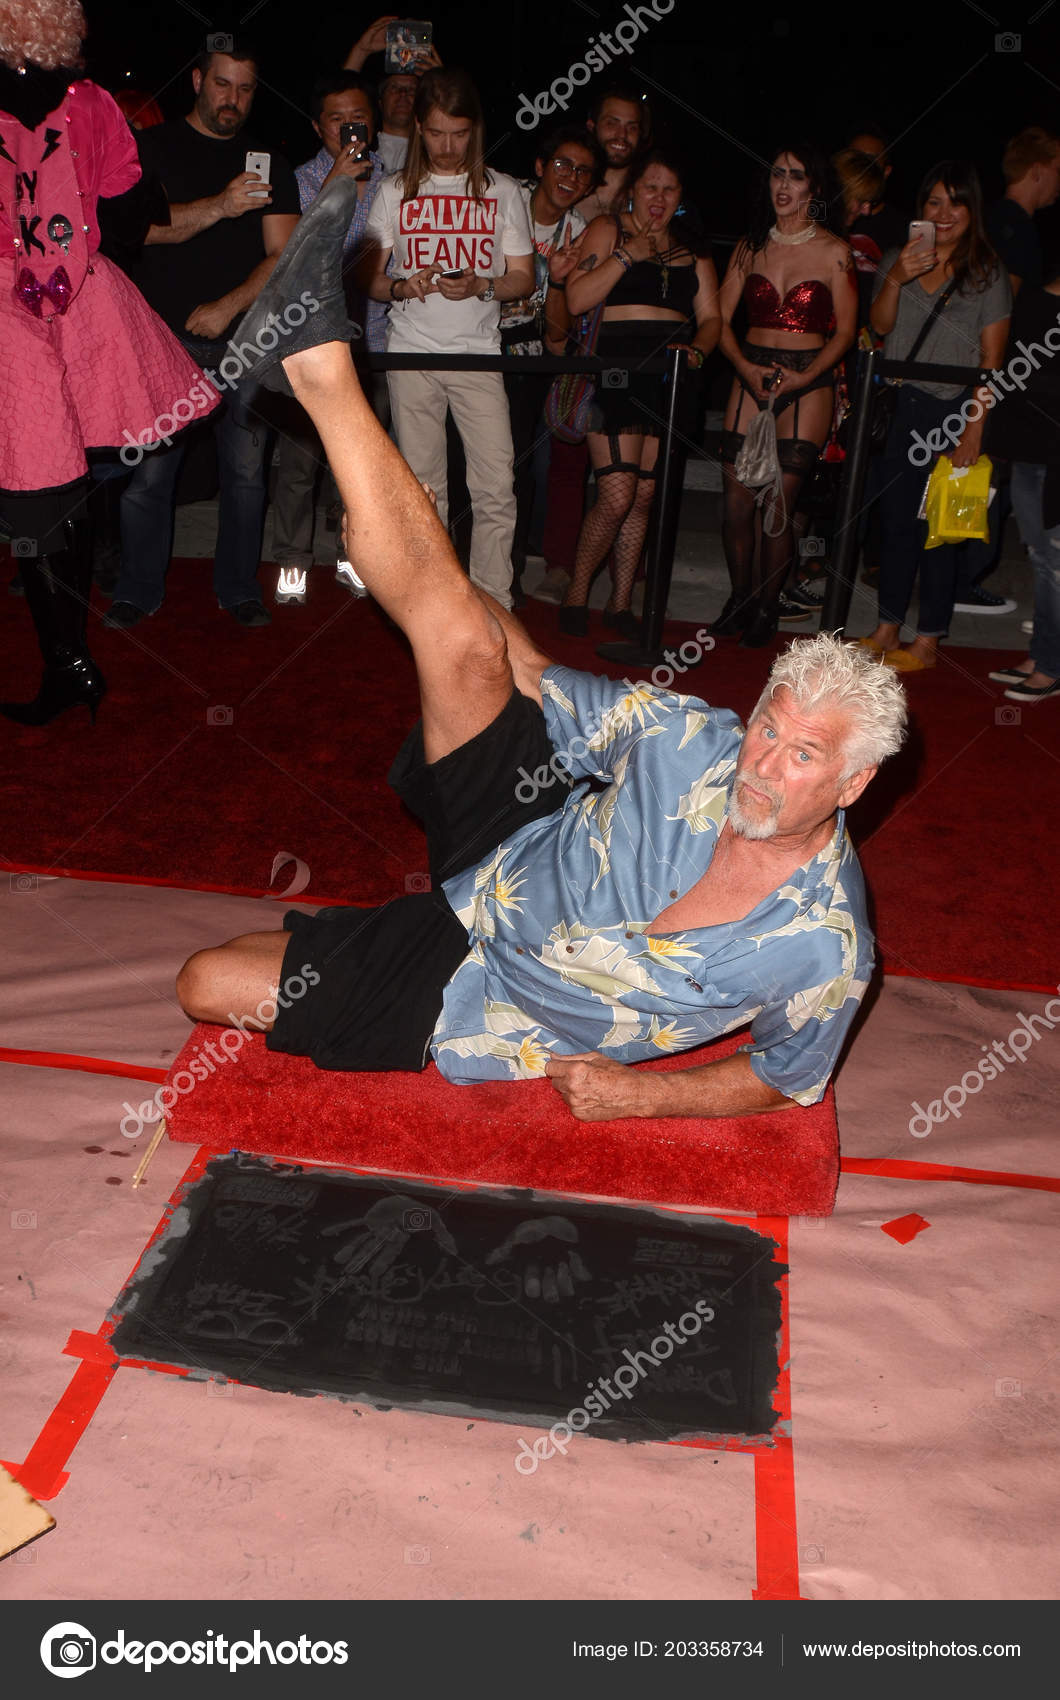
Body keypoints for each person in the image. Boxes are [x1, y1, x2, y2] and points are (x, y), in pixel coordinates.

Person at [176, 176, 908, 1119]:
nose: (762, 762)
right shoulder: (696, 741)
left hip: (484, 995)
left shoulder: (828, 944)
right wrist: (435, 582)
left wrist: (645, 1099)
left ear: (853, 782)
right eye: (769, 727)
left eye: (803, 754)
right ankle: (317, 360)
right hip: (518, 839)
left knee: (207, 981)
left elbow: (785, 1078)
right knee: (469, 641)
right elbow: (529, 670)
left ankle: (371, 935)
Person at [0, 0, 220, 725]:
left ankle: (69, 664)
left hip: (11, 311)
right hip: (82, 297)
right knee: (60, 488)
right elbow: (130, 215)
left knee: (37, 491)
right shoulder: (92, 103)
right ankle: (72, 661)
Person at [103, 37, 300, 631]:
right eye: (222, 83)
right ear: (196, 81)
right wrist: (220, 205)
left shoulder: (270, 161)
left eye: (245, 88)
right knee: (149, 476)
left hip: (244, 343)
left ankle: (238, 588)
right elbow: (139, 232)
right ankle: (137, 589)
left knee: (245, 474)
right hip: (161, 341)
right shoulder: (150, 149)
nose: (232, 98)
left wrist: (226, 306)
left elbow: (282, 257)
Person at [361, 68, 533, 610]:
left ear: (474, 130)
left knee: (496, 486)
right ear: (418, 128)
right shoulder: (393, 191)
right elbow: (368, 278)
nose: (448, 146)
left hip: (479, 355)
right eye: (436, 133)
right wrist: (402, 285)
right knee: (422, 488)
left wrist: (483, 285)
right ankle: (436, 603)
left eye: (459, 134)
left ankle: (494, 602)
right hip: (410, 353)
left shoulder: (504, 190)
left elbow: (524, 278)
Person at [559, 147, 721, 638]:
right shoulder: (609, 228)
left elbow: (712, 318)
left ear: (680, 196)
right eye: (651, 186)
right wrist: (629, 255)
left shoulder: (694, 248)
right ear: (633, 190)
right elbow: (576, 298)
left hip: (669, 377)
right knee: (616, 495)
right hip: (616, 372)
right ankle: (576, 594)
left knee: (645, 496)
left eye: (669, 189)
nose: (659, 197)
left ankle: (621, 603)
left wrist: (699, 351)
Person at [859, 161, 1011, 671]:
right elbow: (880, 327)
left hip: (952, 410)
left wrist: (974, 427)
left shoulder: (987, 272)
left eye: (956, 202)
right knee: (895, 524)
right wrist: (897, 277)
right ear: (921, 208)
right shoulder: (899, 258)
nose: (944, 213)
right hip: (899, 405)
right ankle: (887, 626)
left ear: (972, 210)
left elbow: (993, 359)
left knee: (940, 529)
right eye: (934, 202)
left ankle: (928, 638)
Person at [715, 144, 856, 647]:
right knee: (736, 503)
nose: (784, 184)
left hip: (808, 379)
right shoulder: (748, 246)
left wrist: (807, 375)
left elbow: (846, 332)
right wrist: (743, 366)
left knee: (778, 506)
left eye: (796, 176)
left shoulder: (835, 251)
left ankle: (767, 608)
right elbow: (718, 319)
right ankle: (740, 598)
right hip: (750, 370)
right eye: (777, 174)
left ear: (813, 188)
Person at [271, 72, 387, 606]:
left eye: (357, 116)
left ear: (373, 121)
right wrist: (334, 183)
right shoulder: (298, 180)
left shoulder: (394, 183)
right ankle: (293, 560)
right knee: (300, 460)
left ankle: (353, 554)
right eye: (336, 119)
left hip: (376, 343)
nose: (348, 127)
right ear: (319, 126)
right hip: (309, 343)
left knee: (360, 465)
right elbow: (290, 255)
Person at [951, 128, 1060, 618]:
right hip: (999, 370)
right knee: (990, 466)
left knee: (985, 464)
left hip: (986, 367)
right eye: (1057, 170)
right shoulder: (1016, 228)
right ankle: (963, 576)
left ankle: (956, 573)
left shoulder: (993, 218)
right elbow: (1002, 308)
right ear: (1038, 170)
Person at [500, 125, 602, 605]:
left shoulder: (580, 232)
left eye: (583, 171)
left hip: (529, 352)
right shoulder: (503, 200)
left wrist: (559, 281)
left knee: (516, 466)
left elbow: (560, 333)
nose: (571, 177)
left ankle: (507, 572)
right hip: (472, 338)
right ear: (540, 167)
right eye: (562, 164)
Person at [982, 273, 1060, 705]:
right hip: (1029, 449)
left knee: (1054, 563)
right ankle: (1043, 655)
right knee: (1041, 558)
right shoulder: (1031, 297)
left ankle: (1052, 664)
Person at [343, 14, 443, 173]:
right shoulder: (359, 144)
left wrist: (442, 83)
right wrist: (361, 51)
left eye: (411, 90)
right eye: (394, 88)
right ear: (380, 101)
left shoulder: (438, 150)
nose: (403, 94)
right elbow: (340, 102)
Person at [577, 85, 650, 223]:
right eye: (611, 124)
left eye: (632, 128)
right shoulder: (570, 184)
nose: (622, 135)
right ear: (591, 127)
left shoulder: (647, 198)